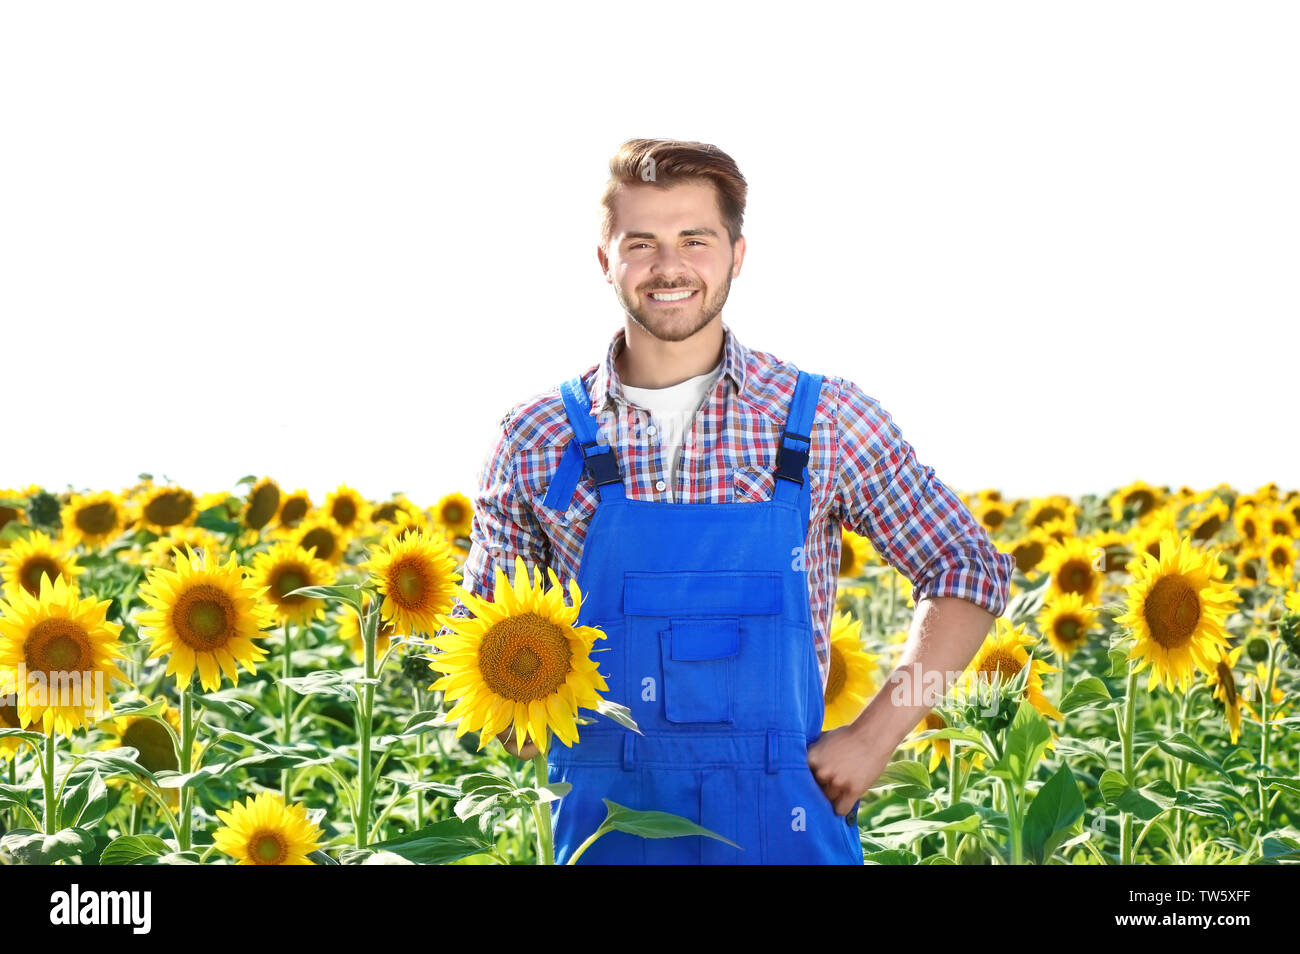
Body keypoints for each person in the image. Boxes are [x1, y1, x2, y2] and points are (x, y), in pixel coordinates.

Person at [435, 138, 1015, 864]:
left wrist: (876, 735)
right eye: (640, 242)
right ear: (604, 261)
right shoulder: (536, 438)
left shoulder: (821, 419)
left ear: (737, 254)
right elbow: (481, 634)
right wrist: (513, 708)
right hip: (608, 833)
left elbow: (969, 568)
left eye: (695, 240)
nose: (668, 266)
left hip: (788, 829)